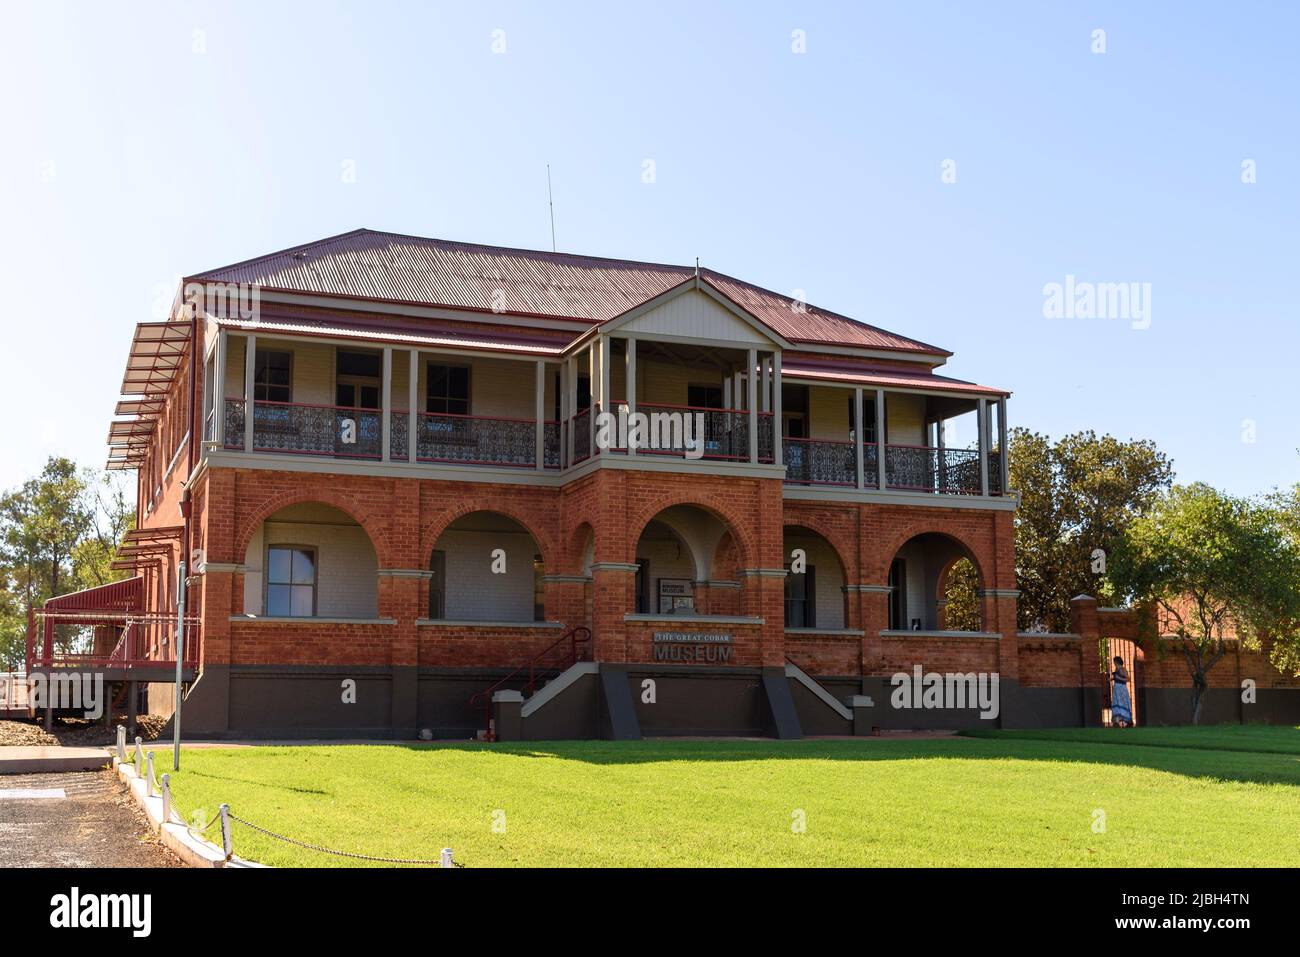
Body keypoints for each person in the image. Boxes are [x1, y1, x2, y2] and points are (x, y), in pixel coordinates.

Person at [1110, 655, 1133, 728]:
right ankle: (1116, 721)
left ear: (1117, 662)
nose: (1114, 663)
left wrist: (1117, 677)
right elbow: (1117, 678)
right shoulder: (1117, 669)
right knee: (1117, 703)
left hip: (1121, 688)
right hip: (1117, 687)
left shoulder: (1122, 669)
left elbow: (1128, 679)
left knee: (1122, 703)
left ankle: (1128, 721)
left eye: (1114, 662)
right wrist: (1113, 679)